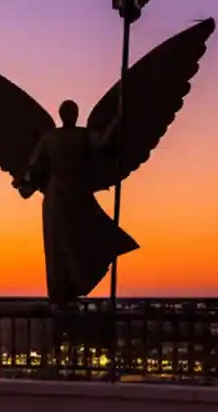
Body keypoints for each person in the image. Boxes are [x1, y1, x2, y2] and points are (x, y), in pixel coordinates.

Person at [15, 100, 138, 304]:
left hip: (64, 197)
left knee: (68, 246)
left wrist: (25, 181)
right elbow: (105, 143)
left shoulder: (53, 138)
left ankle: (64, 291)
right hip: (73, 195)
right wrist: (118, 120)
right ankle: (63, 292)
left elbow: (32, 168)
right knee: (64, 246)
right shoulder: (79, 136)